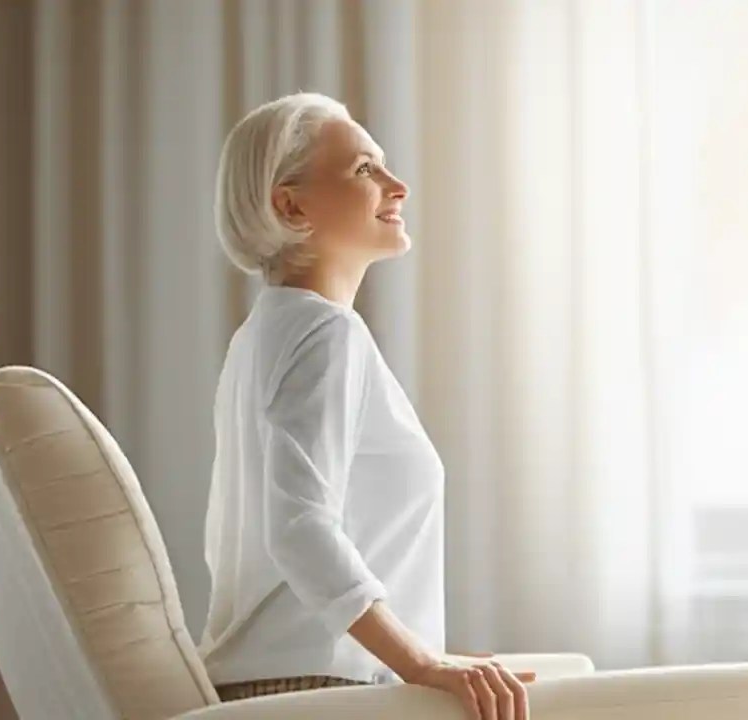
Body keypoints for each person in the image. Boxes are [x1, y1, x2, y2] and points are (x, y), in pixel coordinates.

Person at [199, 93, 533, 720]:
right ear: (290, 205)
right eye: (363, 170)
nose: (397, 185)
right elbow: (299, 529)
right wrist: (422, 664)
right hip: (320, 695)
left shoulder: (262, 336)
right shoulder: (325, 334)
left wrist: (424, 658)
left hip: (278, 690)